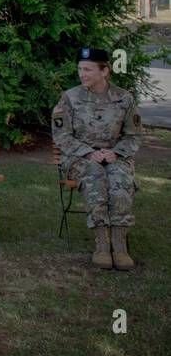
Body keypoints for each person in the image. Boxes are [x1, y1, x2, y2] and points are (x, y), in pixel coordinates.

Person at [52, 47, 141, 270]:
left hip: (115, 156)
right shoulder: (70, 98)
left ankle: (119, 246)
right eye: (80, 69)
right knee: (95, 175)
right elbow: (61, 135)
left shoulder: (124, 99)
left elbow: (133, 136)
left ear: (105, 71)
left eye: (88, 69)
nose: (82, 74)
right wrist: (88, 152)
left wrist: (116, 153)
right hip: (80, 158)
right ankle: (102, 244)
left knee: (119, 179)